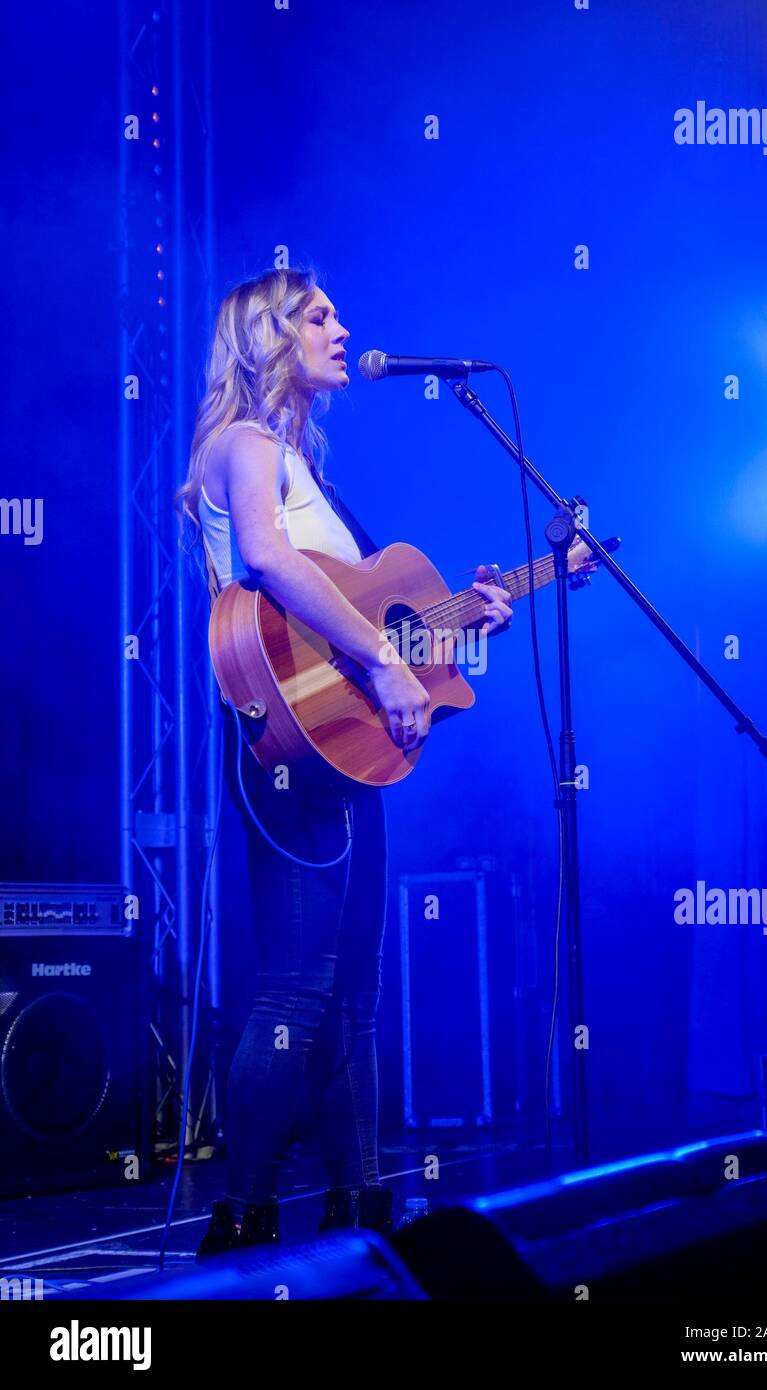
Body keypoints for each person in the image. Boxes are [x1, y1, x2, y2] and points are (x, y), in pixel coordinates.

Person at [176, 267, 514, 1253]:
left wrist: (465, 627)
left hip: (337, 748)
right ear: (267, 336)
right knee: (293, 987)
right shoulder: (242, 444)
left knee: (354, 988)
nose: (342, 329)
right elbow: (268, 565)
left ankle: (358, 1205)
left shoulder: (303, 465)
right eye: (318, 316)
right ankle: (237, 1221)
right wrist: (383, 659)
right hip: (282, 754)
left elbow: (359, 638)